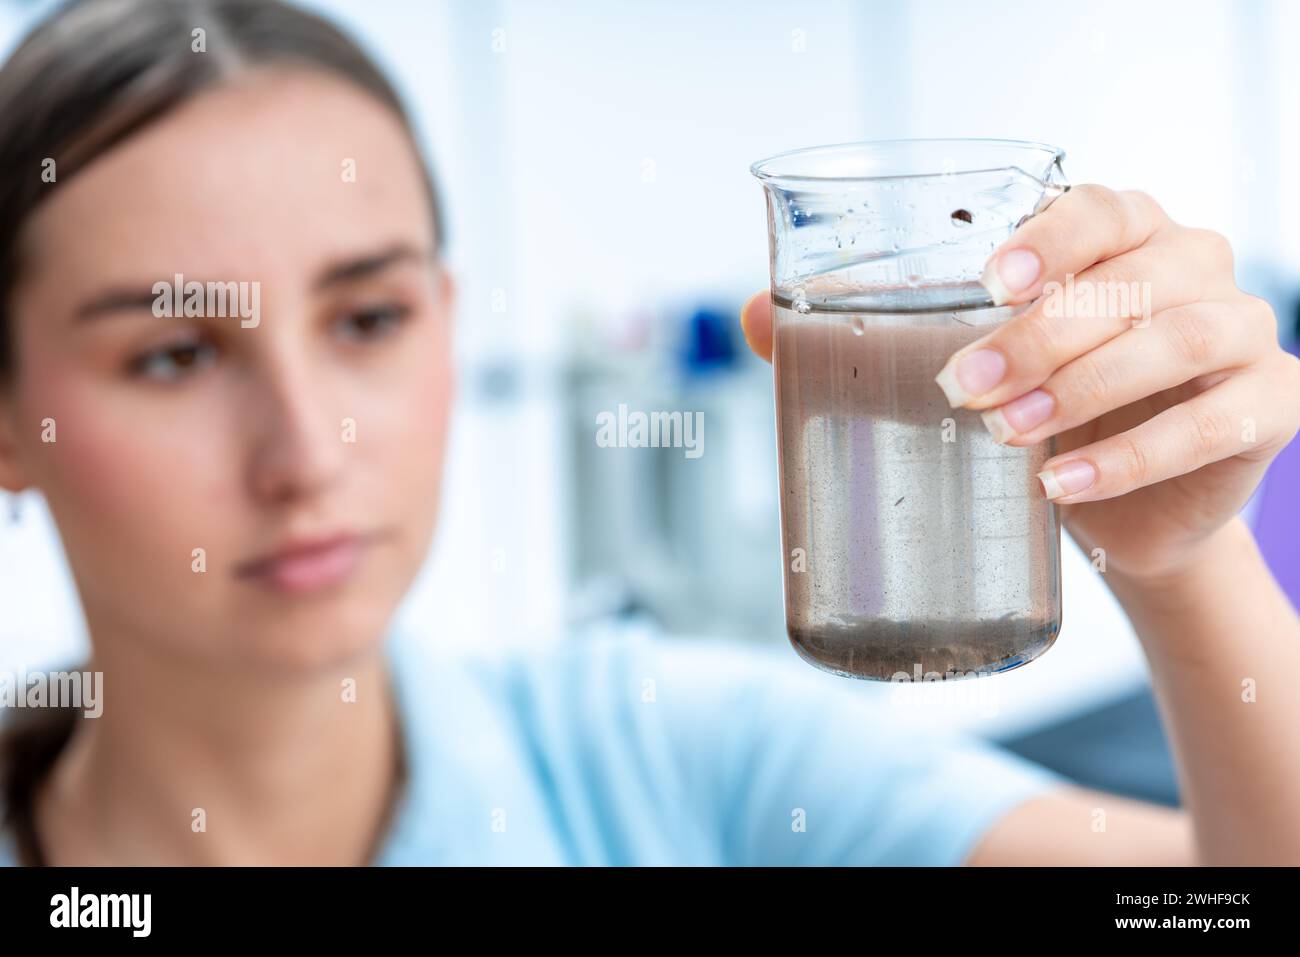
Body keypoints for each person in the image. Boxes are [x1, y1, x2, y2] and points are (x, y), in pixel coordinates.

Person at [0, 0, 1297, 867]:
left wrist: (1181, 570)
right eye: (172, 353)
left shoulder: (683, 763)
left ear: (446, 320)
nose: (305, 449)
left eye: (369, 318)